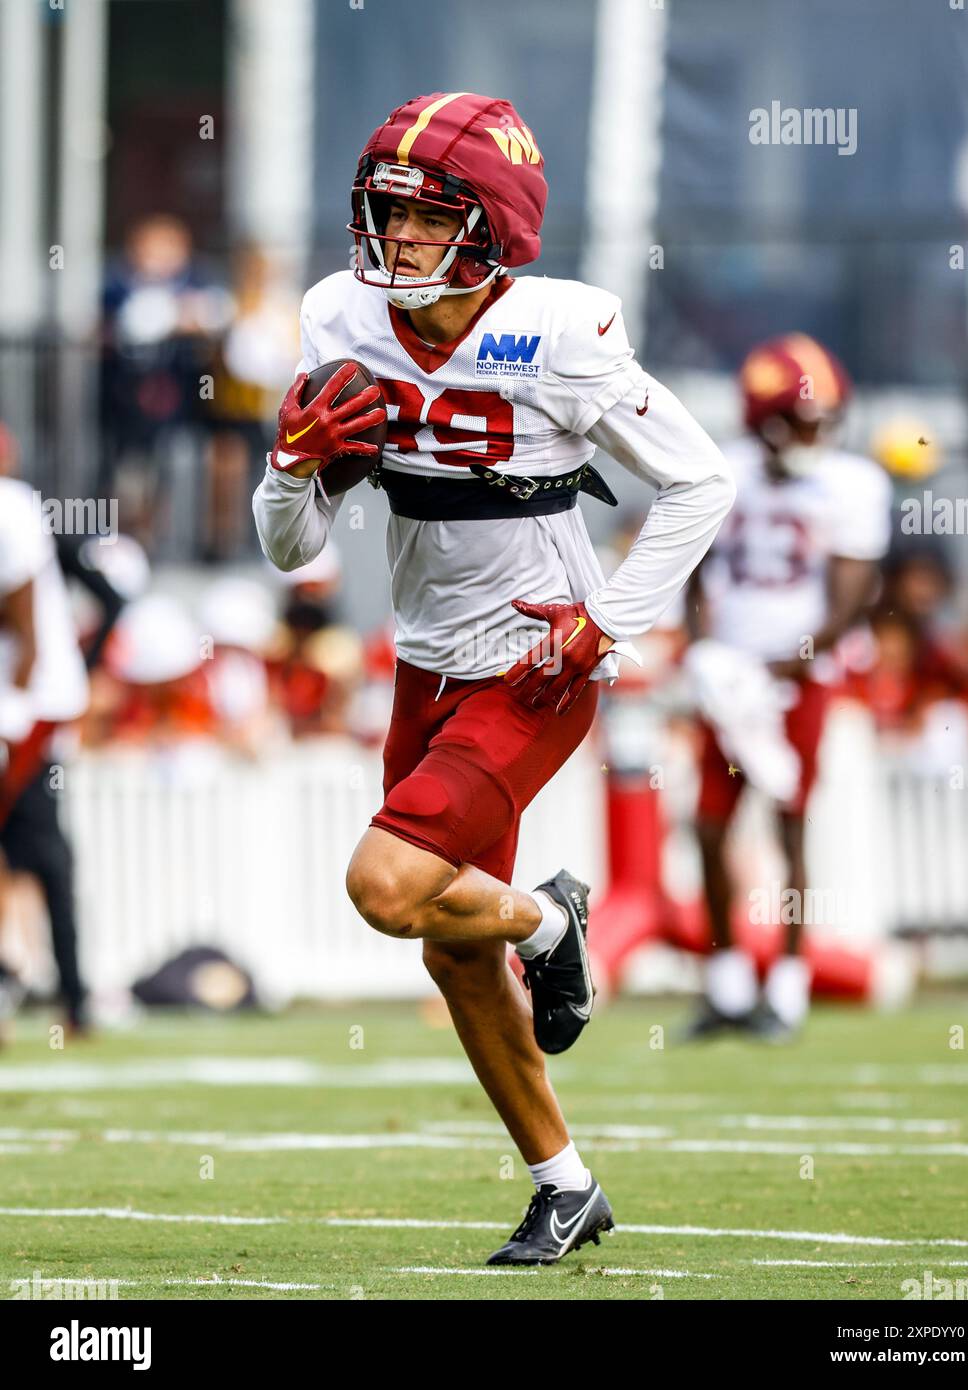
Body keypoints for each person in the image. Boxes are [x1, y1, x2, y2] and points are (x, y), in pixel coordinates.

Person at [253, 91, 735, 1264]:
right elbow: (290, 547)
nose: (398, 237)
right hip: (423, 663)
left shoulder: (561, 331)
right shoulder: (341, 318)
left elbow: (700, 482)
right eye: (386, 212)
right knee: (451, 946)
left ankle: (551, 920)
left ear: (492, 224)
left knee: (385, 886)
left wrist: (605, 623)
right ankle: (565, 1184)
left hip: (533, 664)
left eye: (427, 216)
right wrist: (290, 466)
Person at [683, 334, 891, 1041]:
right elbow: (692, 568)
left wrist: (779, 667)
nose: (815, 434)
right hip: (730, 677)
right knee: (709, 824)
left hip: (799, 680)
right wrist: (706, 652)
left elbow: (849, 602)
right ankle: (727, 984)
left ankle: (789, 984)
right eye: (801, 420)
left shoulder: (854, 484)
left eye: (823, 419)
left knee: (790, 823)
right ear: (763, 420)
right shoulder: (723, 470)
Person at [0, 476, 91, 1036]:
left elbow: (27, 635)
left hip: (29, 709)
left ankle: (71, 995)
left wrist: (11, 727)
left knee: (44, 856)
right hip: (23, 705)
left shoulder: (8, 510)